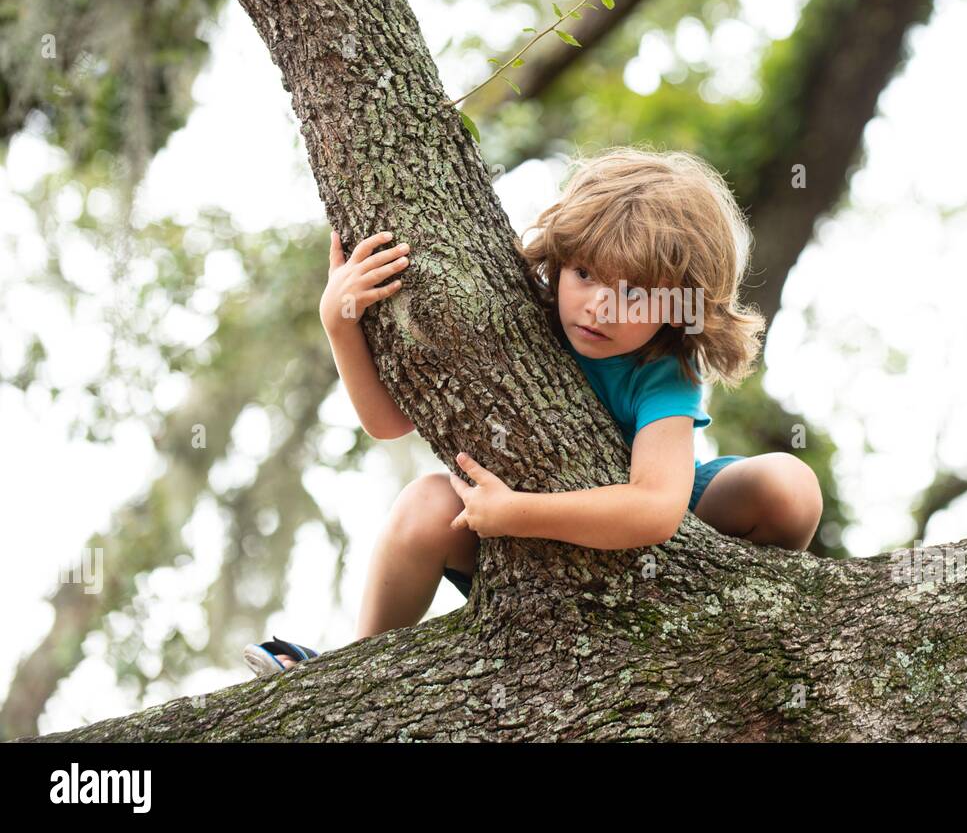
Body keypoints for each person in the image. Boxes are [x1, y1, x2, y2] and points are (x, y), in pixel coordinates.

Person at [243, 145, 823, 676]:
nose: (599, 307)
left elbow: (656, 509)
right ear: (561, 260)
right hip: (520, 551)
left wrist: (517, 511)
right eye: (586, 274)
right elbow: (390, 421)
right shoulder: (523, 317)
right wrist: (340, 327)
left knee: (790, 487)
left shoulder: (662, 366)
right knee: (424, 503)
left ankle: (739, 610)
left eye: (635, 294)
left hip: (652, 539)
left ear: (679, 305)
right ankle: (349, 670)